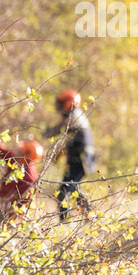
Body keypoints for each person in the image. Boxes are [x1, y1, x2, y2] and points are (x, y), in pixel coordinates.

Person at [0, 129, 43, 225]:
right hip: (1, 210)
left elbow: (25, 204)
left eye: (20, 151)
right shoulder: (16, 161)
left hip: (10, 217)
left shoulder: (29, 179)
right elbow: (0, 150)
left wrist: (10, 218)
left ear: (26, 155)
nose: (17, 151)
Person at [45, 89, 96, 221]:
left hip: (80, 160)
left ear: (69, 104)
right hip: (78, 160)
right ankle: (90, 216)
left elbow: (59, 130)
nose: (60, 107)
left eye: (62, 104)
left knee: (65, 190)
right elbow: (71, 141)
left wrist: (46, 133)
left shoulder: (73, 116)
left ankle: (64, 221)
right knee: (71, 189)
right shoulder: (76, 116)